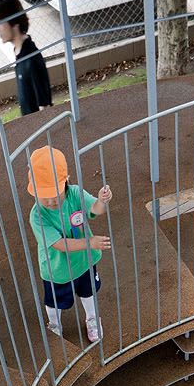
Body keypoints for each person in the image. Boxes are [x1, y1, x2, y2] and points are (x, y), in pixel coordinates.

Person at [27, 145, 111, 344]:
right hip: (57, 270)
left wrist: (102, 201)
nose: (50, 200)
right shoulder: (37, 215)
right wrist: (89, 242)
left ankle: (92, 318)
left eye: (54, 192)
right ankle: (54, 324)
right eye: (43, 194)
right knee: (54, 301)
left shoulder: (74, 194)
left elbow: (95, 210)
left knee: (88, 291)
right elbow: (59, 245)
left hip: (84, 262)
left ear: (66, 181)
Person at [0, 0, 53, 116]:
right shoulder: (20, 52)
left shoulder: (31, 59)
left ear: (13, 22)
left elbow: (44, 106)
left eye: (0, 22)